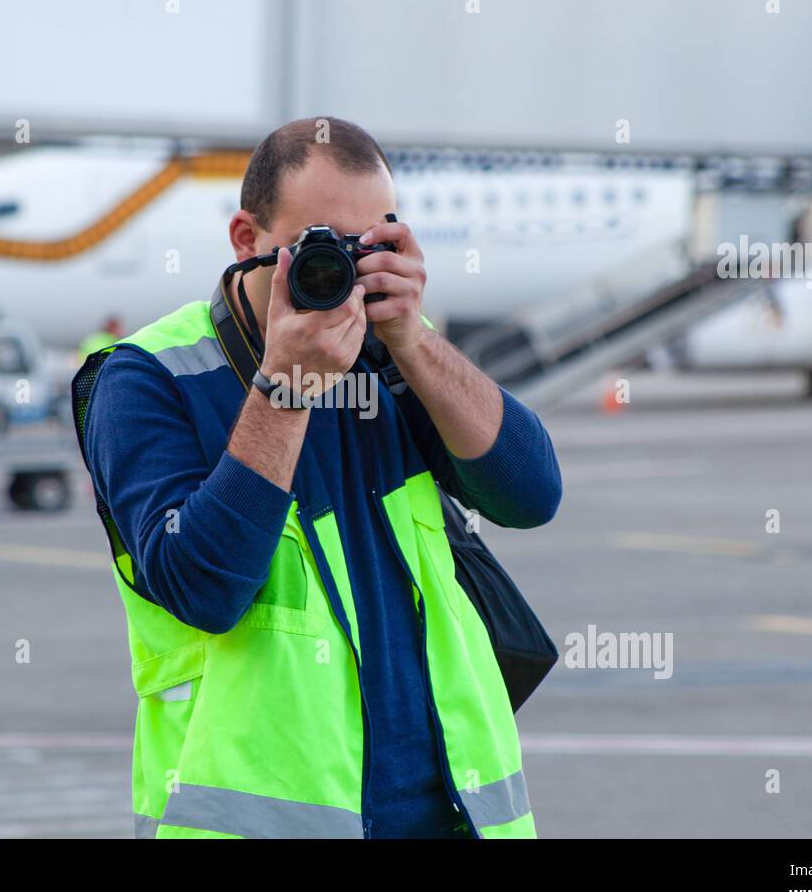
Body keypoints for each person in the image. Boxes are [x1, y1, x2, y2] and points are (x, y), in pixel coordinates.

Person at [78, 117, 562, 839]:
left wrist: (413, 338)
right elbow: (203, 587)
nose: (345, 274)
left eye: (370, 246)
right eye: (321, 247)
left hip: (450, 818)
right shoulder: (149, 379)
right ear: (247, 239)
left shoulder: (391, 357)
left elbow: (531, 494)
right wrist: (286, 387)